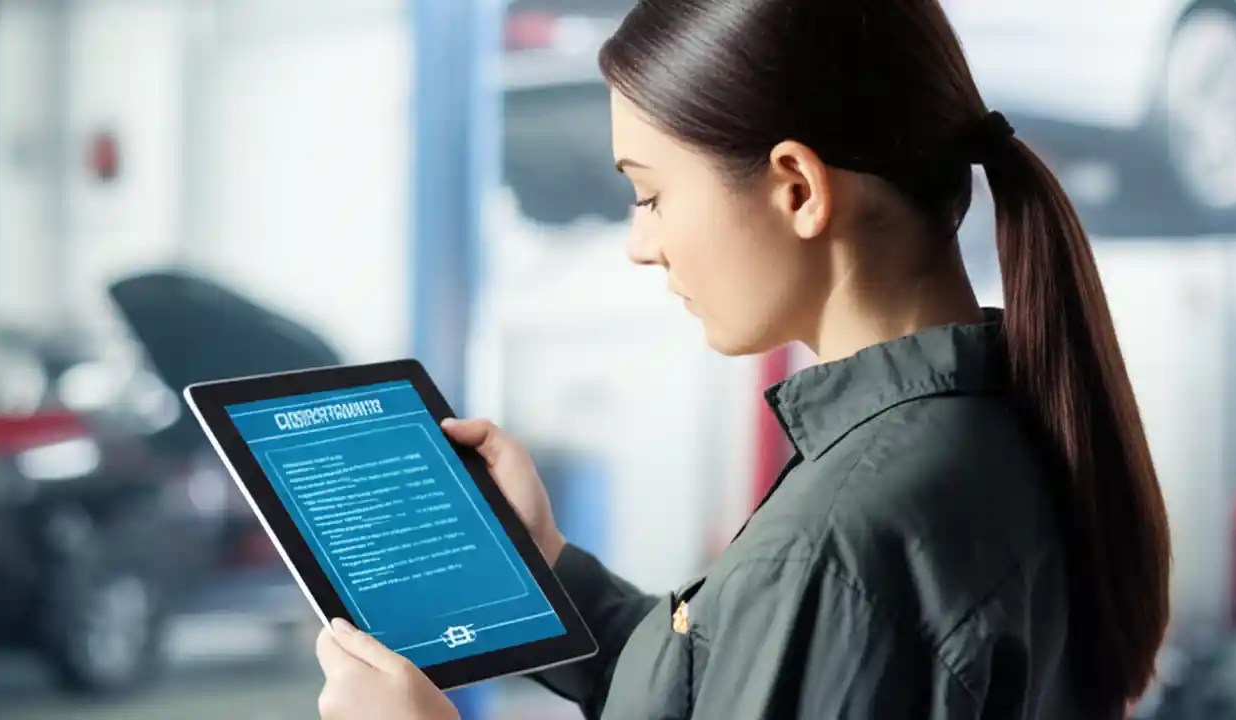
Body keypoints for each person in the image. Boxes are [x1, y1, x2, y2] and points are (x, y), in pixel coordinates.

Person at [314, 0, 1172, 717]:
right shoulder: (989, 429)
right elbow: (737, 677)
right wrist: (546, 570)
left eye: (650, 194)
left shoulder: (838, 540)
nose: (640, 244)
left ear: (797, 188)